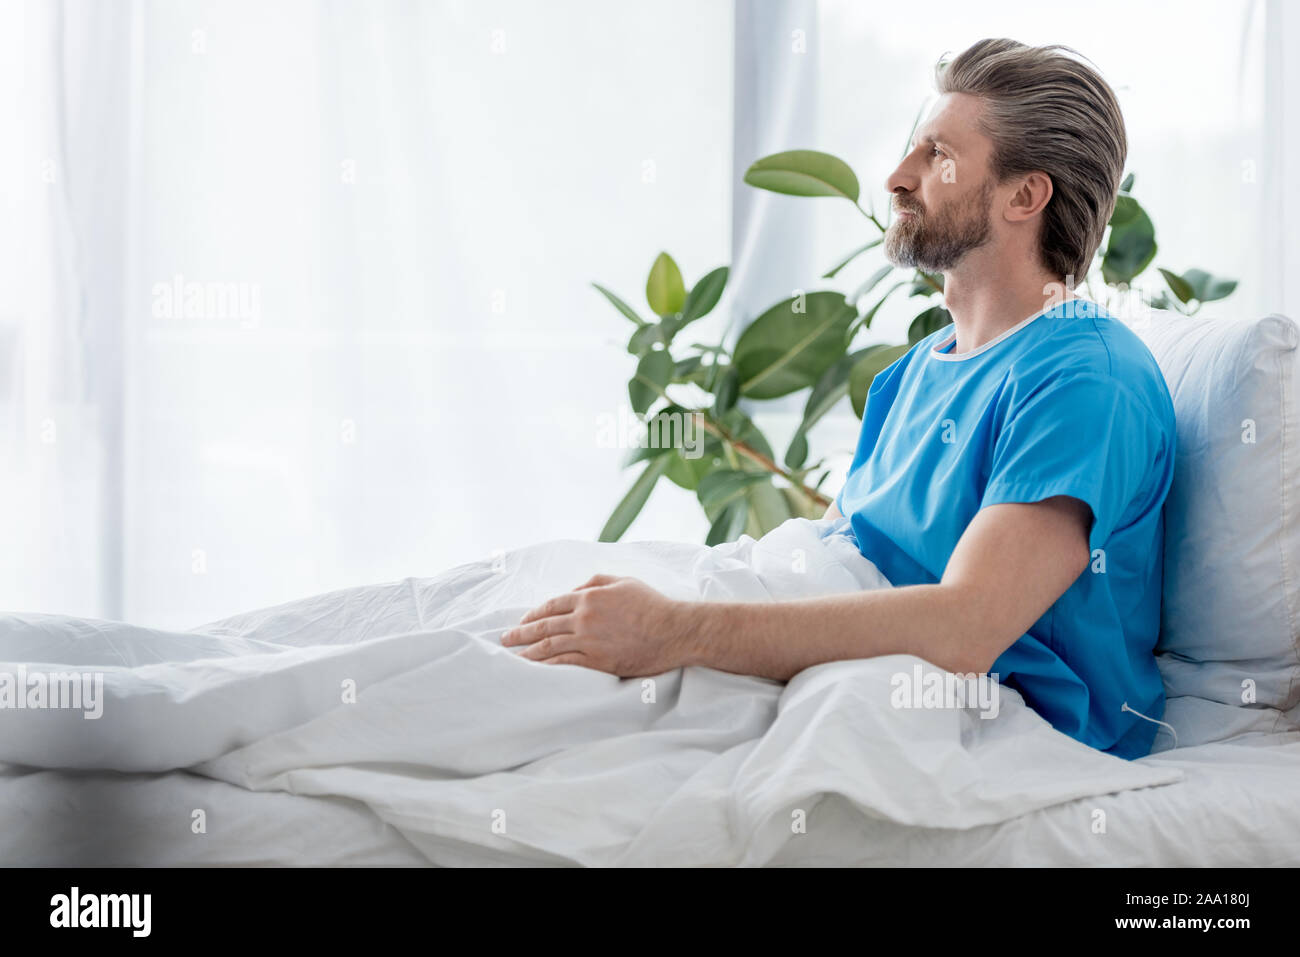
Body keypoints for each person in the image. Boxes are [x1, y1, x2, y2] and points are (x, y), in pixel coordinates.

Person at [503, 38, 1177, 760]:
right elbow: (835, 551)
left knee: (530, 714)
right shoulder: (921, 368)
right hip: (826, 629)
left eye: (936, 156)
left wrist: (674, 631)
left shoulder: (1085, 378)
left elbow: (966, 627)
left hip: (997, 709)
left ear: (1024, 195)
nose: (896, 178)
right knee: (514, 625)